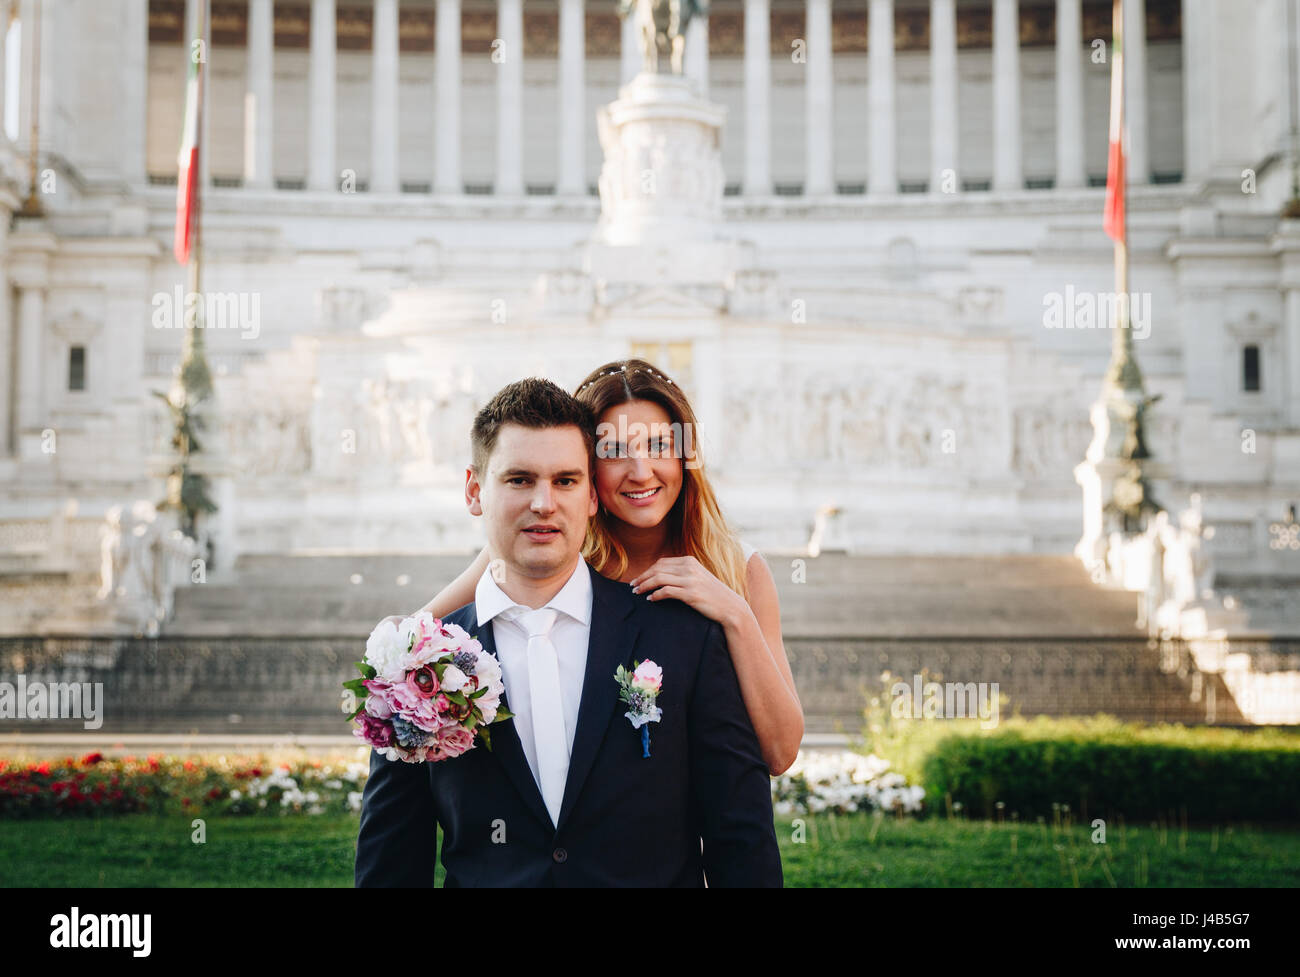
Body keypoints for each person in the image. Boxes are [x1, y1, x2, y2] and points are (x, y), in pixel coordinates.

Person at [354, 377, 783, 887]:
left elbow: (742, 838)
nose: (543, 503)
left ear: (592, 496)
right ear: (475, 491)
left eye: (565, 481)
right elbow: (391, 863)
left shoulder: (687, 637)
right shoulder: (416, 667)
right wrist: (404, 647)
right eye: (518, 480)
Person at [402, 359, 803, 775]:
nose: (641, 471)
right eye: (614, 451)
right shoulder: (550, 554)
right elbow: (414, 639)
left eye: (659, 446)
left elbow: (780, 753)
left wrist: (734, 612)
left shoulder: (736, 565)